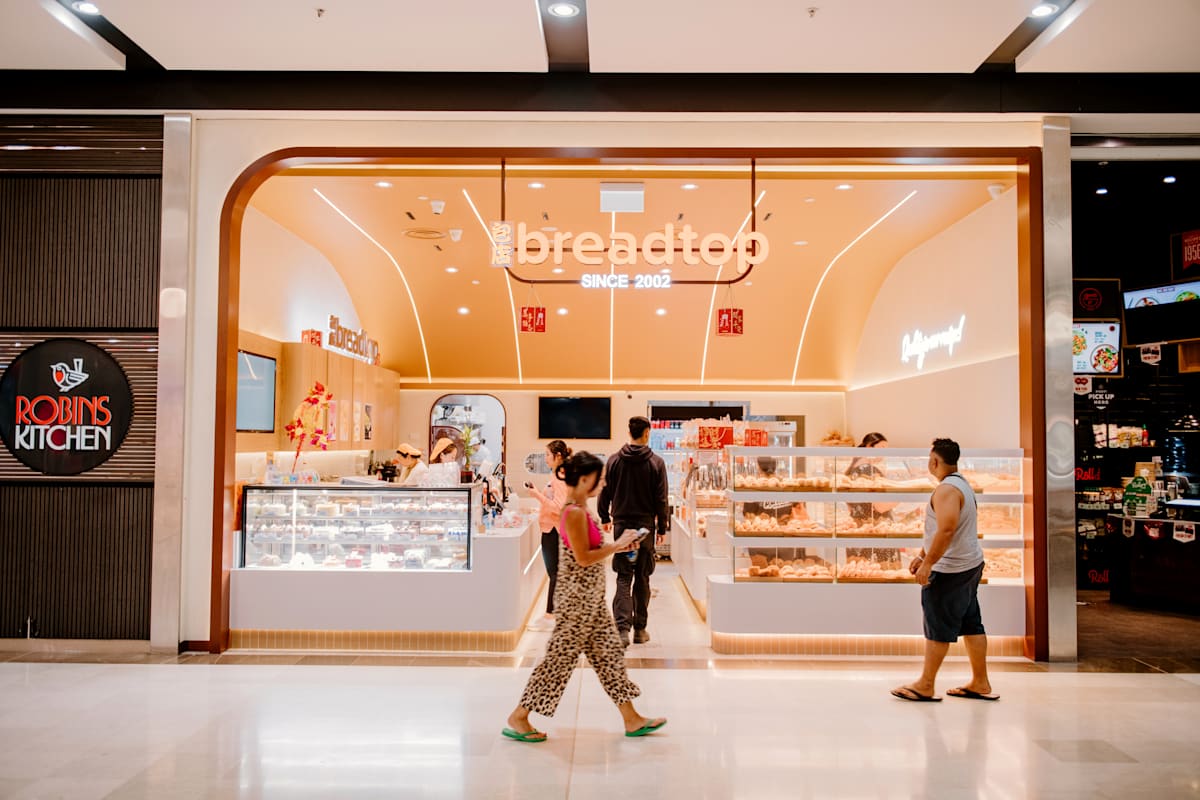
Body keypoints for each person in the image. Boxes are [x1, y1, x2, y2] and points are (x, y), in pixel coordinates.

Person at [503, 452, 667, 743]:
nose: (602, 483)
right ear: (584, 478)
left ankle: (631, 718)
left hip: (589, 600)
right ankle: (519, 716)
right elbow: (582, 557)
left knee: (608, 658)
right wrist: (617, 546)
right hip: (577, 602)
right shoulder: (574, 512)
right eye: (599, 478)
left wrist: (619, 544)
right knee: (558, 662)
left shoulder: (581, 507)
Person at [892, 438, 997, 703]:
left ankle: (926, 684)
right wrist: (922, 554)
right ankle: (980, 682)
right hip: (969, 564)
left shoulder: (947, 490)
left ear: (935, 461)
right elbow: (945, 530)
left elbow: (947, 528)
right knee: (971, 623)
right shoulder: (961, 484)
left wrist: (928, 564)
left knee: (938, 624)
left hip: (950, 569)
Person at [598, 416, 669, 648]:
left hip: (621, 528)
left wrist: (605, 517)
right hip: (645, 528)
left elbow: (604, 492)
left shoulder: (615, 461)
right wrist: (662, 527)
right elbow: (661, 499)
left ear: (629, 432)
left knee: (623, 576)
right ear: (647, 433)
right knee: (643, 577)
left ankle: (621, 630)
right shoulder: (656, 463)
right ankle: (640, 629)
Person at [527, 440, 572, 625]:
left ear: (558, 455)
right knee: (555, 572)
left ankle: (550, 614)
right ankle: (553, 612)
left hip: (553, 530)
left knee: (554, 572)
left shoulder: (560, 477)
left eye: (547, 454)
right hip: (551, 528)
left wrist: (537, 495)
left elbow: (559, 507)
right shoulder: (558, 475)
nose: (545, 458)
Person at [845, 432, 898, 562]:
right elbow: (880, 506)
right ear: (869, 447)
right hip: (875, 532)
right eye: (882, 448)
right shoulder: (868, 470)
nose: (885, 452)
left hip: (859, 531)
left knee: (861, 575)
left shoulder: (853, 468)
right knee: (880, 575)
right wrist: (901, 498)